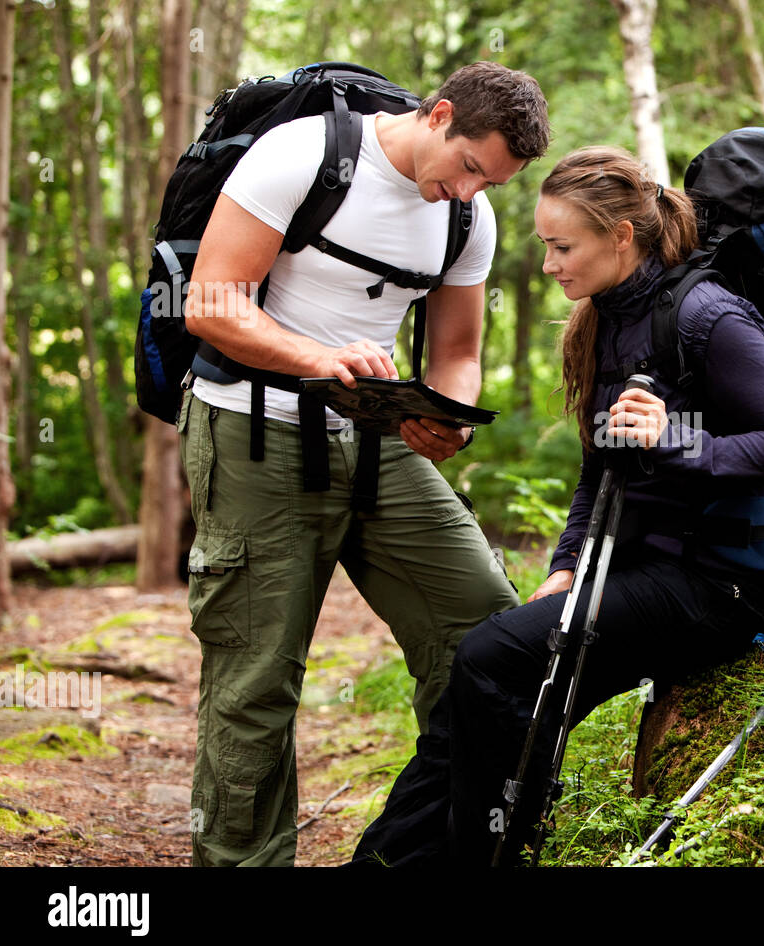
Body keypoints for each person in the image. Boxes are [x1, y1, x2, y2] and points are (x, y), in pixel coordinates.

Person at [349, 145, 764, 867]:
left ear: (620, 237)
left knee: (488, 657)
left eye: (563, 246)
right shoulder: (606, 320)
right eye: (544, 246)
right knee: (478, 699)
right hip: (636, 570)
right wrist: (567, 564)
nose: (548, 265)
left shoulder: (707, 315)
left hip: (719, 583)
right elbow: (598, 468)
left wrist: (682, 447)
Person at [178, 61, 550, 866]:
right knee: (256, 683)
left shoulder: (467, 220)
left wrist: (448, 421)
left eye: (492, 183)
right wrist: (320, 356)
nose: (470, 193)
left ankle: (433, 849)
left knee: (486, 629)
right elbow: (210, 303)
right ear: (440, 114)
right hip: (253, 431)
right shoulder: (301, 154)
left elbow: (456, 354)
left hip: (377, 442)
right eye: (469, 168)